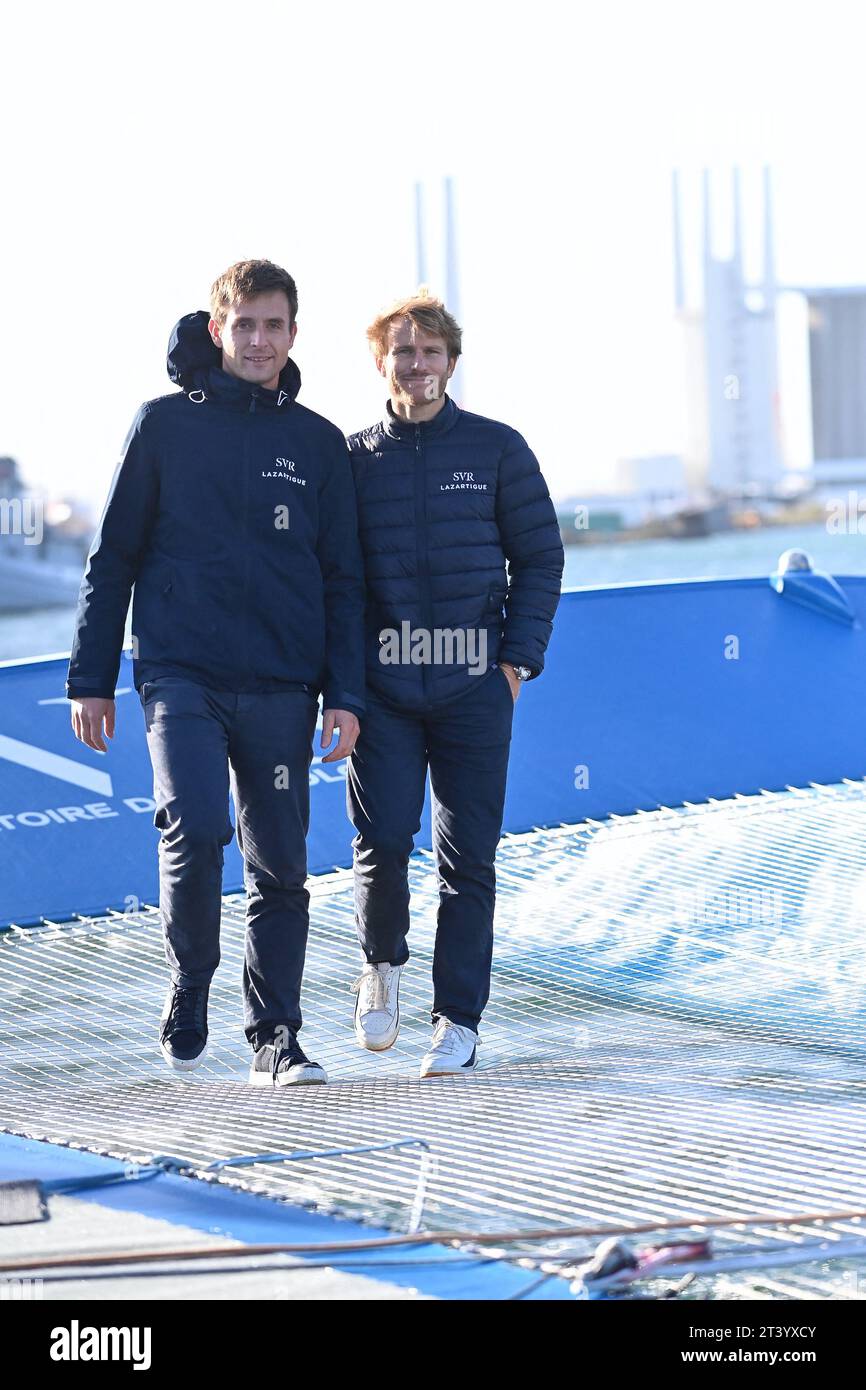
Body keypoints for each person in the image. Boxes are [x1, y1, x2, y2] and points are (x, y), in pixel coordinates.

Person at [67, 259, 364, 1086]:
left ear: (293, 334)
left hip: (281, 682)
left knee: (281, 867)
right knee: (195, 829)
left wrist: (344, 694)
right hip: (180, 674)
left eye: (274, 326)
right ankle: (190, 980)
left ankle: (275, 1036)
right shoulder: (163, 425)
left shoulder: (316, 443)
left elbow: (344, 579)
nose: (260, 340)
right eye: (245, 325)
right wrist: (89, 676)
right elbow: (114, 555)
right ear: (216, 330)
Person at [346, 291, 563, 1077]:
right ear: (383, 362)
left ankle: (458, 1020)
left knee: (468, 859)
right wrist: (343, 683)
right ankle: (381, 965)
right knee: (382, 843)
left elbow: (539, 558)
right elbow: (336, 579)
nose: (418, 364)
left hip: (475, 686)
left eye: (431, 351)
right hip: (384, 689)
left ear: (451, 360)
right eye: (403, 351)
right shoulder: (352, 459)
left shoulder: (499, 450)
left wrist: (515, 662)